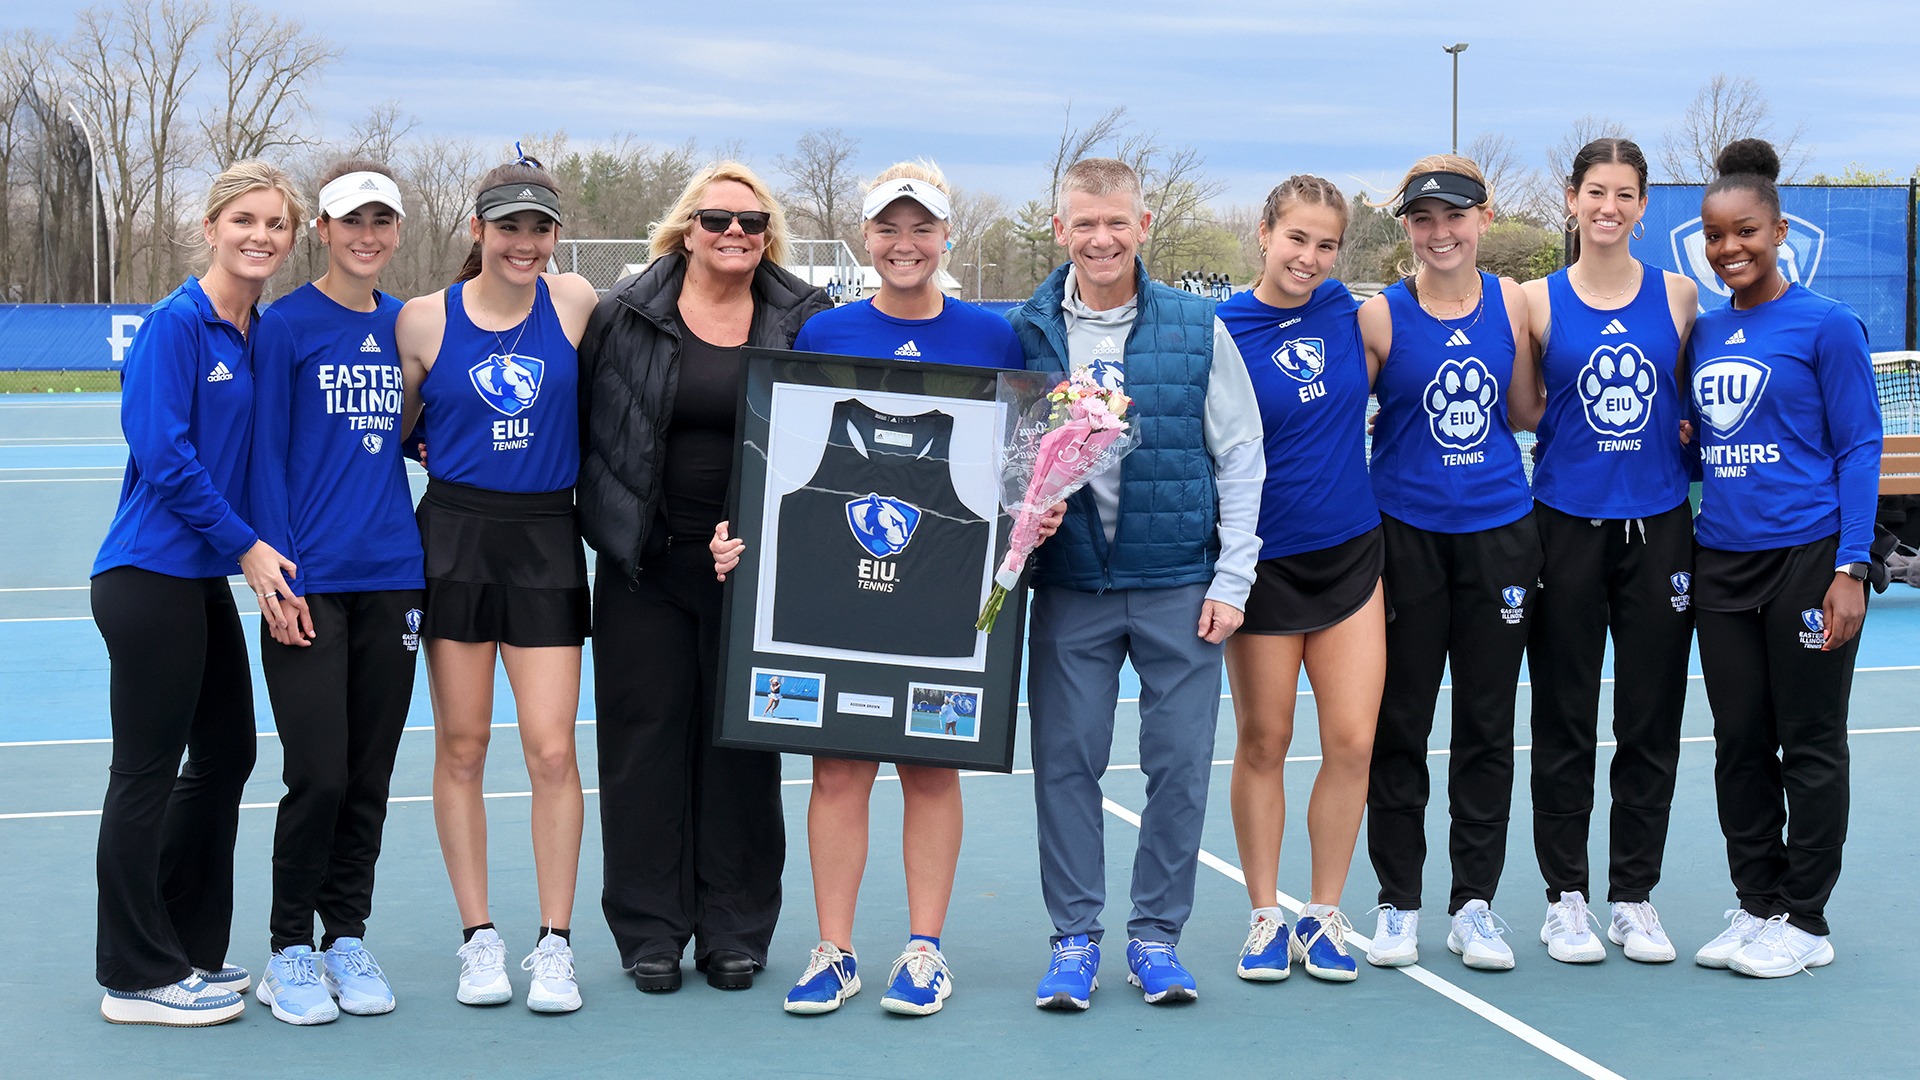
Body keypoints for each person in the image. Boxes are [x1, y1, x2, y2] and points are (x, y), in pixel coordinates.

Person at [709, 161, 1025, 1018]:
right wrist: (747, 542)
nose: (905, 244)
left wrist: (1037, 516)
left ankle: (924, 950)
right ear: (865, 238)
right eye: (890, 228)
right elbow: (776, 472)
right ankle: (835, 948)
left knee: (930, 770)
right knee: (838, 769)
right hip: (839, 599)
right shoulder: (823, 334)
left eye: (922, 228)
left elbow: (1015, 475)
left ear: (946, 238)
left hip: (940, 603)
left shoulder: (995, 339)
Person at [1008, 157, 1265, 1009]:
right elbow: (1003, 466)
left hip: (1178, 584)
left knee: (1181, 767)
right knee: (1065, 764)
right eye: (1084, 223)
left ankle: (1155, 938)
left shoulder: (1198, 327)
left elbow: (1239, 456)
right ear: (1060, 231)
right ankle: (1074, 939)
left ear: (1144, 227)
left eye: (1116, 221)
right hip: (1072, 587)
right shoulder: (1027, 332)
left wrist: (1233, 577)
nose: (1101, 237)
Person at [576, 162, 829, 994]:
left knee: (743, 750)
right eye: (717, 219)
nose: (734, 234)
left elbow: (828, 445)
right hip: (643, 565)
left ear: (769, 236)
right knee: (641, 746)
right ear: (687, 228)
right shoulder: (622, 316)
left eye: (751, 223)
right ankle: (650, 931)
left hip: (751, 572)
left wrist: (761, 533)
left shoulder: (804, 320)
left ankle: (735, 928)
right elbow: (570, 421)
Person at [91, 160, 304, 1026]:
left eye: (277, 225)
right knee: (144, 773)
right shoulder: (175, 326)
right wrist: (248, 551)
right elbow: (166, 458)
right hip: (148, 578)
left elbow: (255, 465)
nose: (261, 236)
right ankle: (134, 975)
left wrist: (273, 564)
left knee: (227, 753)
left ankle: (185, 949)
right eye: (245, 220)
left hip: (197, 578)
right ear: (212, 226)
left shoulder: (250, 330)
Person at [396, 152, 599, 1013]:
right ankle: (479, 937)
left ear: (556, 236)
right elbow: (396, 428)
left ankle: (555, 944)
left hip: (548, 537)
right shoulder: (422, 320)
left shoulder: (577, 303)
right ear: (477, 229)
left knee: (552, 749)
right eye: (508, 225)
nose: (525, 242)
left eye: (540, 227)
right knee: (463, 748)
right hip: (455, 538)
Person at [1685, 139, 1880, 978]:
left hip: (1807, 561)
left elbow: (1859, 446)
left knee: (1809, 742)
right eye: (1716, 236)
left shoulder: (1829, 325)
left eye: (1746, 233)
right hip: (1722, 560)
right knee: (1739, 742)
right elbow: (1710, 448)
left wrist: (1853, 567)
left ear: (1778, 230)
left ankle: (1806, 919)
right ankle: (1756, 902)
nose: (1730, 250)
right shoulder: (1704, 330)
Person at [1511, 138, 1698, 966]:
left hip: (1661, 531)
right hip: (1564, 530)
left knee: (1651, 720)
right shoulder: (1535, 301)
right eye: (1596, 191)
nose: (1609, 207)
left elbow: (1694, 408)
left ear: (1643, 204)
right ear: (1572, 199)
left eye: (1625, 194)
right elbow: (1523, 410)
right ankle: (1567, 899)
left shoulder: (1683, 296)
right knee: (1563, 719)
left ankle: (1633, 897)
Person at [247, 160, 425, 1024]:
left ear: (396, 232)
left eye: (381, 221)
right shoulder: (282, 326)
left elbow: (429, 428)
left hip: (394, 576)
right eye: (351, 221)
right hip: (308, 584)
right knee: (316, 772)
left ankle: (344, 936)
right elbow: (263, 457)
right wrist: (278, 577)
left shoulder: (406, 325)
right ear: (321, 230)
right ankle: (288, 947)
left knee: (369, 773)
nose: (367, 236)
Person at [1359, 154, 1540, 973]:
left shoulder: (1512, 302)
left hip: (1502, 532)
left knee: (1486, 726)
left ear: (1483, 218)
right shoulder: (1380, 317)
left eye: (1454, 216)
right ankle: (1398, 903)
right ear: (1408, 227)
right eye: (1424, 219)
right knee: (1400, 723)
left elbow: (1529, 408)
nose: (1440, 232)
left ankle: (1475, 905)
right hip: (1406, 540)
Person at [1216, 175, 1384, 984]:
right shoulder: (1220, 329)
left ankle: (1323, 914)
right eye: (1297, 239)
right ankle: (1263, 916)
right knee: (1265, 740)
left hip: (1352, 551)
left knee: (1352, 741)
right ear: (1264, 233)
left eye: (1325, 244)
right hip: (1264, 566)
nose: (1310, 258)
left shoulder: (1354, 315)